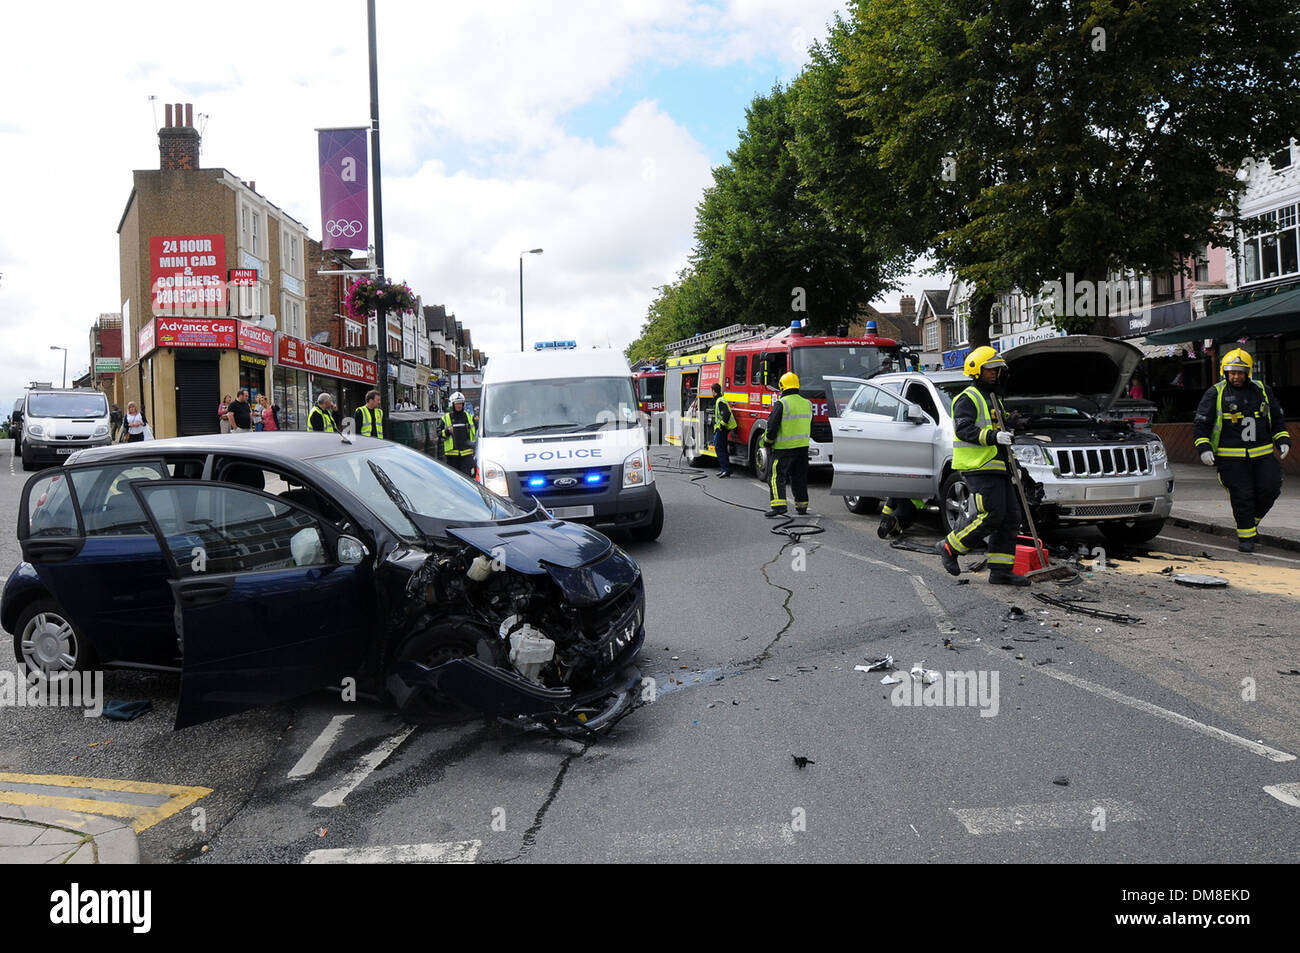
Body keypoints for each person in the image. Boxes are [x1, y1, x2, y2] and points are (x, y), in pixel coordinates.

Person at [935, 346, 1028, 586]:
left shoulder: (993, 397)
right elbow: (964, 429)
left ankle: (1000, 571)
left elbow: (999, 424)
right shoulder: (968, 397)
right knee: (991, 514)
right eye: (990, 369)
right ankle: (950, 546)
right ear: (976, 370)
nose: (994, 373)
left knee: (1010, 518)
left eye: (997, 369)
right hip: (979, 466)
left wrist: (1011, 423)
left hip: (999, 466)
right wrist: (993, 437)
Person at [1193, 348, 1290, 552]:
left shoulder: (1262, 390)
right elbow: (1201, 424)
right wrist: (1204, 448)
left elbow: (1277, 419)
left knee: (1271, 488)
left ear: (1248, 372)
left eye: (1240, 372)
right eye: (1232, 372)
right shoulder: (1216, 393)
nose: (1236, 376)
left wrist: (1283, 441)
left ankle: (1250, 525)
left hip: (1263, 454)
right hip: (1231, 459)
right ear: (1225, 372)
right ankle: (1246, 536)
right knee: (1242, 495)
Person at [763, 372, 812, 517]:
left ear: (782, 387)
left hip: (783, 449)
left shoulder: (782, 403)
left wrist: (767, 442)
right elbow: (811, 425)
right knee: (799, 477)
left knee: (776, 476)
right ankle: (802, 506)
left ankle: (779, 506)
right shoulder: (807, 403)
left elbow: (772, 427)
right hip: (802, 448)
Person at [442, 391, 477, 476]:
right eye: (456, 403)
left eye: (460, 403)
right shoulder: (446, 418)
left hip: (467, 453)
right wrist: (447, 431)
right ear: (452, 404)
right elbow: (439, 433)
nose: (459, 405)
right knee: (454, 478)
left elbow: (476, 430)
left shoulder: (469, 416)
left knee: (467, 478)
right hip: (452, 455)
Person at [711, 383, 736, 478]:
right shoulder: (720, 399)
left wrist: (721, 426)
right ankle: (726, 469)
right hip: (723, 429)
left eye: (712, 391)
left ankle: (725, 469)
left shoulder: (720, 401)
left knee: (719, 449)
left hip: (721, 430)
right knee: (723, 449)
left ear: (713, 391)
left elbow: (727, 414)